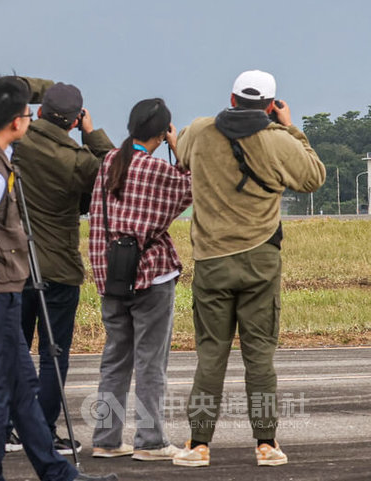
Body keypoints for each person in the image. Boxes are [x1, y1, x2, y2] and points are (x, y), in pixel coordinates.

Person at [0, 76, 115, 481]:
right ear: (16, 122)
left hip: (3, 288)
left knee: (24, 383)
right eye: (26, 114)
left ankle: (55, 471)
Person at [172, 70, 325, 468]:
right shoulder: (277, 139)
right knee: (259, 356)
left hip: (211, 260)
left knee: (211, 355)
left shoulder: (203, 130)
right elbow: (313, 176)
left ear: (232, 98)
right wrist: (290, 128)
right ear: (271, 106)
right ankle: (266, 444)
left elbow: (181, 150)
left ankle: (198, 444)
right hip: (260, 260)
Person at [87, 98, 192, 461]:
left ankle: (106, 438)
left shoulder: (108, 163)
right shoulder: (157, 169)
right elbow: (190, 188)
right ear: (163, 133)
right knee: (151, 362)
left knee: (114, 359)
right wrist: (180, 151)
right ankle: (150, 440)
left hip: (112, 277)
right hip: (151, 276)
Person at [13, 81, 114, 454]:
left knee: (16, 349)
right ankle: (41, 430)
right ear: (74, 122)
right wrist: (93, 133)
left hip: (15, 264)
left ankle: (11, 425)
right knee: (53, 355)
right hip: (58, 267)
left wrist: (48, 87)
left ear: (38, 112)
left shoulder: (17, 138)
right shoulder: (78, 160)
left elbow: (13, 87)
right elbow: (117, 169)